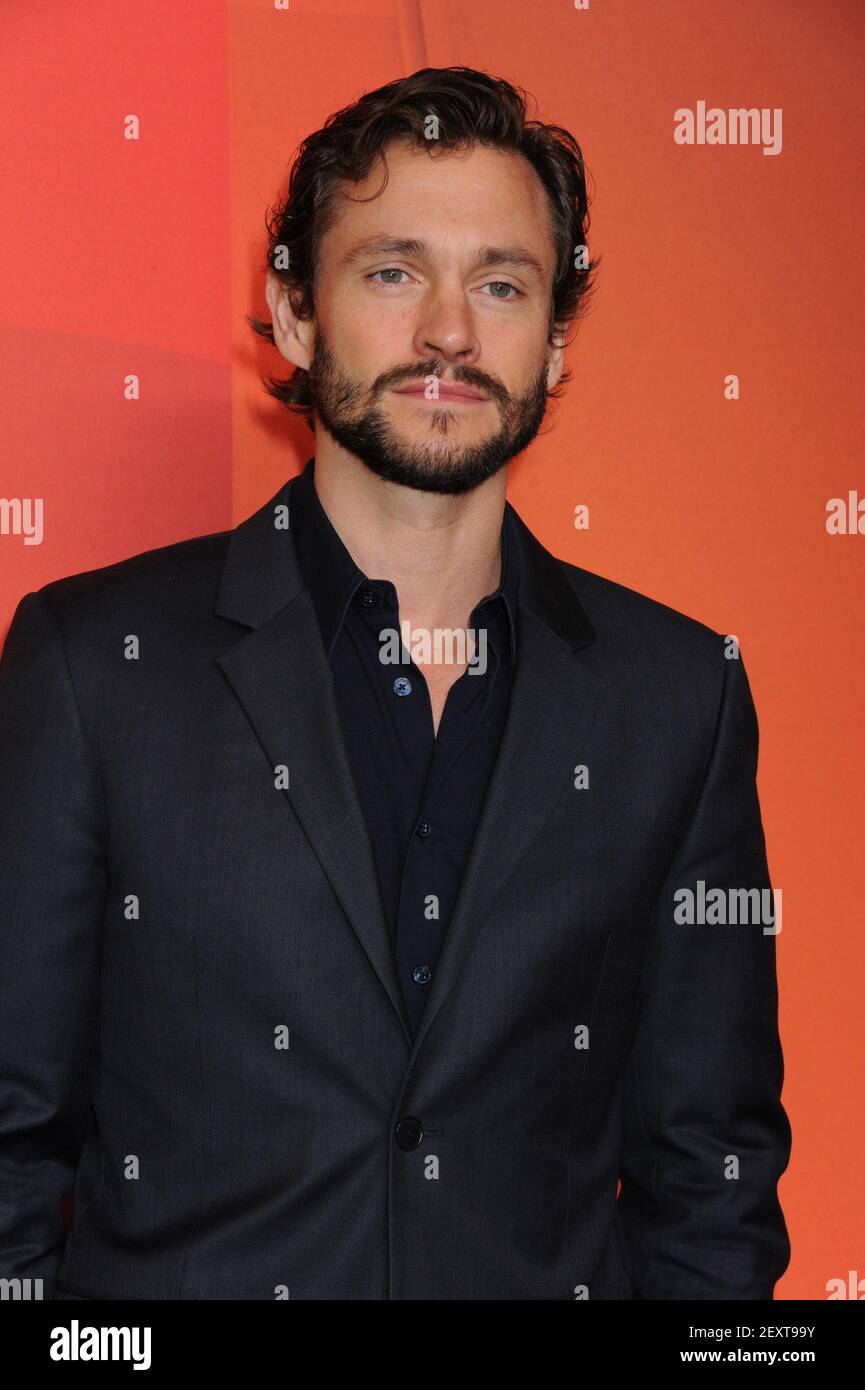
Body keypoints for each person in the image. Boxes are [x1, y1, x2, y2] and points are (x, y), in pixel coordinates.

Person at [0, 66, 791, 1300]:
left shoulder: (678, 697)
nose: (449, 333)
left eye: (500, 283)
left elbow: (713, 1180)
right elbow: (10, 1140)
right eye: (391, 271)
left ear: (556, 334)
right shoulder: (94, 666)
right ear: (297, 313)